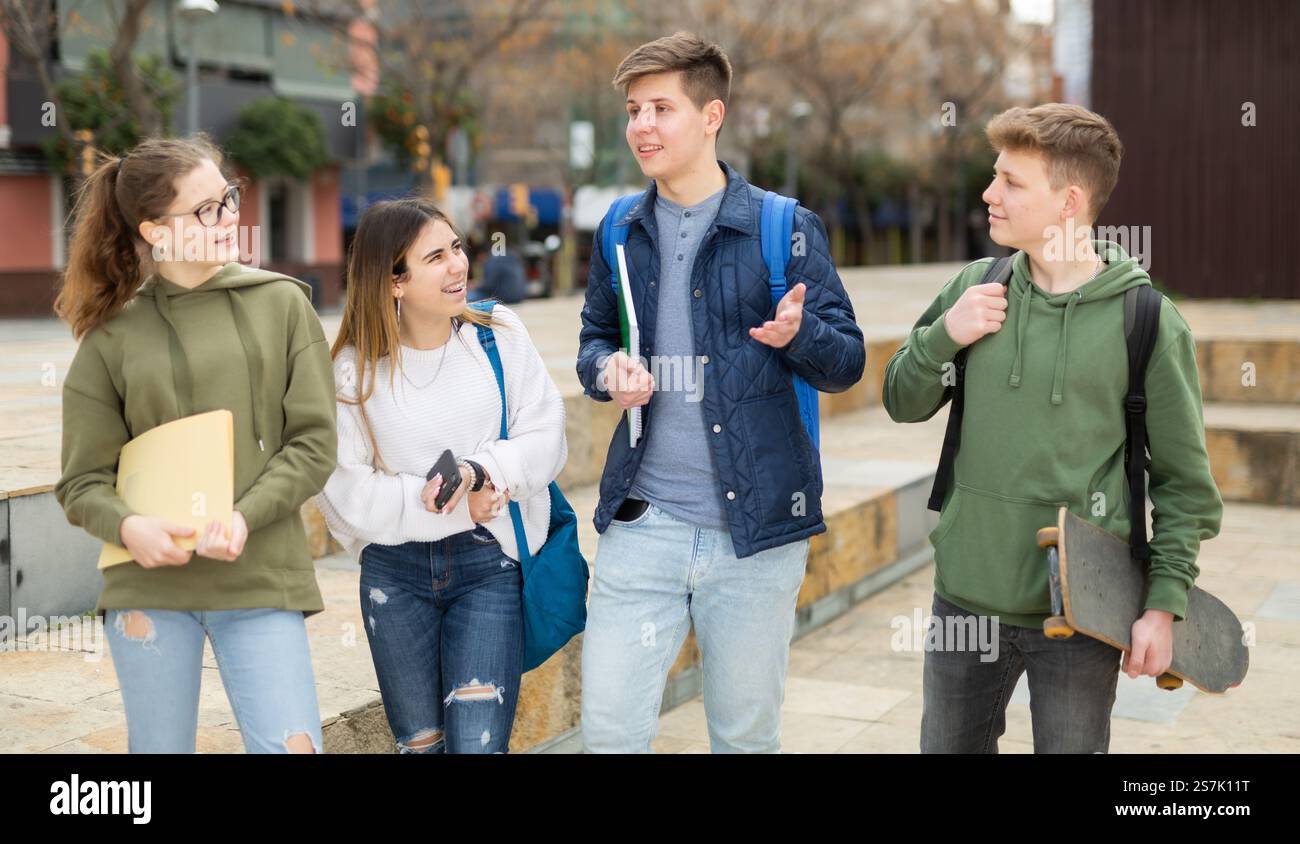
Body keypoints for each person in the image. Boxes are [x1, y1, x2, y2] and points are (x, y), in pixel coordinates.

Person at [882, 103, 1223, 753]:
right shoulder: (974, 289)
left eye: (1012, 181)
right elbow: (900, 398)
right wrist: (942, 337)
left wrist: (1162, 605)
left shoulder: (1146, 323)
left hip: (1081, 612)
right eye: (994, 175)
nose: (989, 193)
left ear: (1069, 202)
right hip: (966, 599)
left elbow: (1185, 484)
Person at [575, 32, 866, 753]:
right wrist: (606, 370)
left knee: (743, 737)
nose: (642, 125)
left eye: (661, 109)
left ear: (712, 116)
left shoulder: (783, 227)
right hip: (642, 524)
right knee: (609, 731)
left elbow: (848, 363)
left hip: (755, 537)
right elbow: (592, 338)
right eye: (634, 110)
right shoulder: (619, 228)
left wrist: (799, 335)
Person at [53, 134, 338, 753]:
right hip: (149, 587)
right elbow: (80, 484)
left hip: (260, 575)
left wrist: (244, 516)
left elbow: (314, 443)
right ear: (155, 231)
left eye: (229, 199)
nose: (230, 218)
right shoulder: (111, 338)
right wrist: (130, 529)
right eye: (206, 209)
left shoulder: (284, 305)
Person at [314, 198, 566, 754]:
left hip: (488, 566)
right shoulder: (353, 370)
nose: (458, 265)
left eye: (457, 247)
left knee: (476, 747)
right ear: (394, 282)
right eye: (436, 256)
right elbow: (343, 493)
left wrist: (482, 472)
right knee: (420, 747)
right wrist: (445, 505)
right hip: (393, 577)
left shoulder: (497, 333)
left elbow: (546, 437)